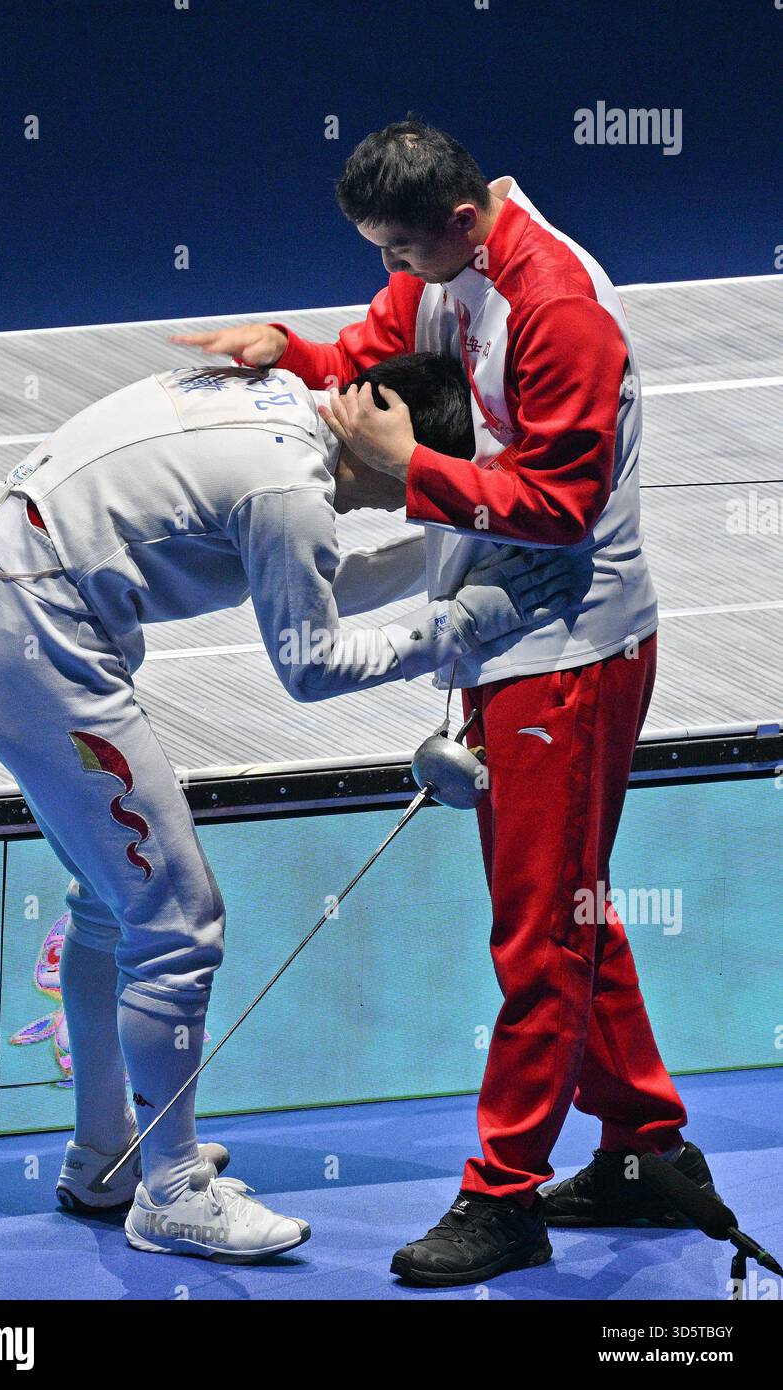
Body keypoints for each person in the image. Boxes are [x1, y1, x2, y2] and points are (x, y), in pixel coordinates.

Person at [178, 121, 718, 1287]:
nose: (396, 271)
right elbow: (374, 353)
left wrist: (405, 471)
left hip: (569, 650)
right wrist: (288, 351)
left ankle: (503, 1195)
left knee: (540, 934)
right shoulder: (440, 270)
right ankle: (647, 1150)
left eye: (404, 251)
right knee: (569, 904)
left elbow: (561, 503)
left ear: (462, 222)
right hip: (501, 631)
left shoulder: (559, 307)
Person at [0, 351, 573, 1265]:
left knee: (110, 906)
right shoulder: (288, 486)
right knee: (178, 924)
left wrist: (441, 556)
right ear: (398, 450)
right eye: (425, 485)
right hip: (43, 646)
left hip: (0, 607)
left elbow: (303, 575)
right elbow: (312, 662)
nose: (415, 500)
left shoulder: (285, 411)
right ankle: (173, 1194)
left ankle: (104, 1155)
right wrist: (470, 622)